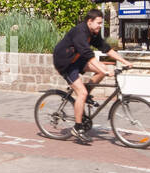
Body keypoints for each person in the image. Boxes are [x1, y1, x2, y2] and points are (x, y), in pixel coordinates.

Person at [51, 9, 130, 142]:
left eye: (101, 23)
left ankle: (86, 93)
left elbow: (106, 49)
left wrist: (124, 61)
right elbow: (89, 55)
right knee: (81, 93)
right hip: (65, 62)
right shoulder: (79, 33)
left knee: (102, 69)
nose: (100, 26)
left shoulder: (93, 33)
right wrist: (105, 71)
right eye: (98, 23)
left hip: (76, 59)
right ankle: (77, 127)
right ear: (90, 21)